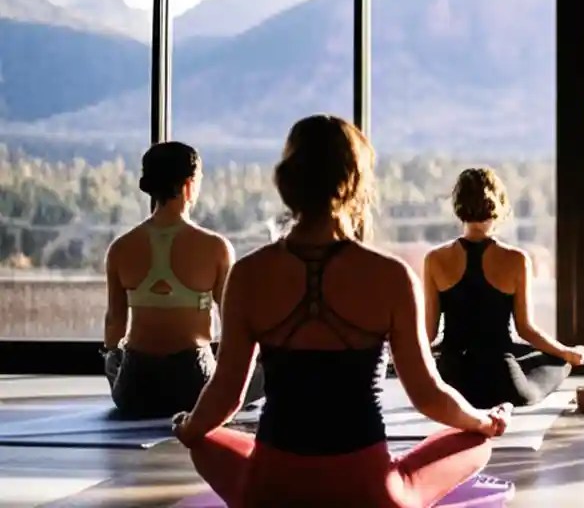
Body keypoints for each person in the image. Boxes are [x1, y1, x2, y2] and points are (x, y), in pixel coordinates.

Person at [171, 115, 511, 507]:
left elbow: (226, 394)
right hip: (370, 493)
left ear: (288, 180)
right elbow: (429, 396)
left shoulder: (249, 274)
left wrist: (189, 428)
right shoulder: (391, 276)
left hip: (269, 490)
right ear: (357, 182)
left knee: (204, 439)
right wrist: (486, 421)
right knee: (475, 441)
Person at [102, 141, 262, 418]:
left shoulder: (120, 248)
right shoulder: (216, 248)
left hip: (136, 390)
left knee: (113, 359)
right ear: (188, 186)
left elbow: (114, 324)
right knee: (266, 368)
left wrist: (116, 358)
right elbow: (233, 325)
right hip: (194, 388)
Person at [426, 167, 584, 408]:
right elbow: (525, 329)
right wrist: (567, 353)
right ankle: (562, 357)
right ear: (500, 205)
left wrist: (401, 362)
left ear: (458, 205)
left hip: (450, 383)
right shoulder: (516, 259)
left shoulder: (435, 259)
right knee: (556, 361)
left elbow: (428, 334)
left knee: (514, 352)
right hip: (501, 383)